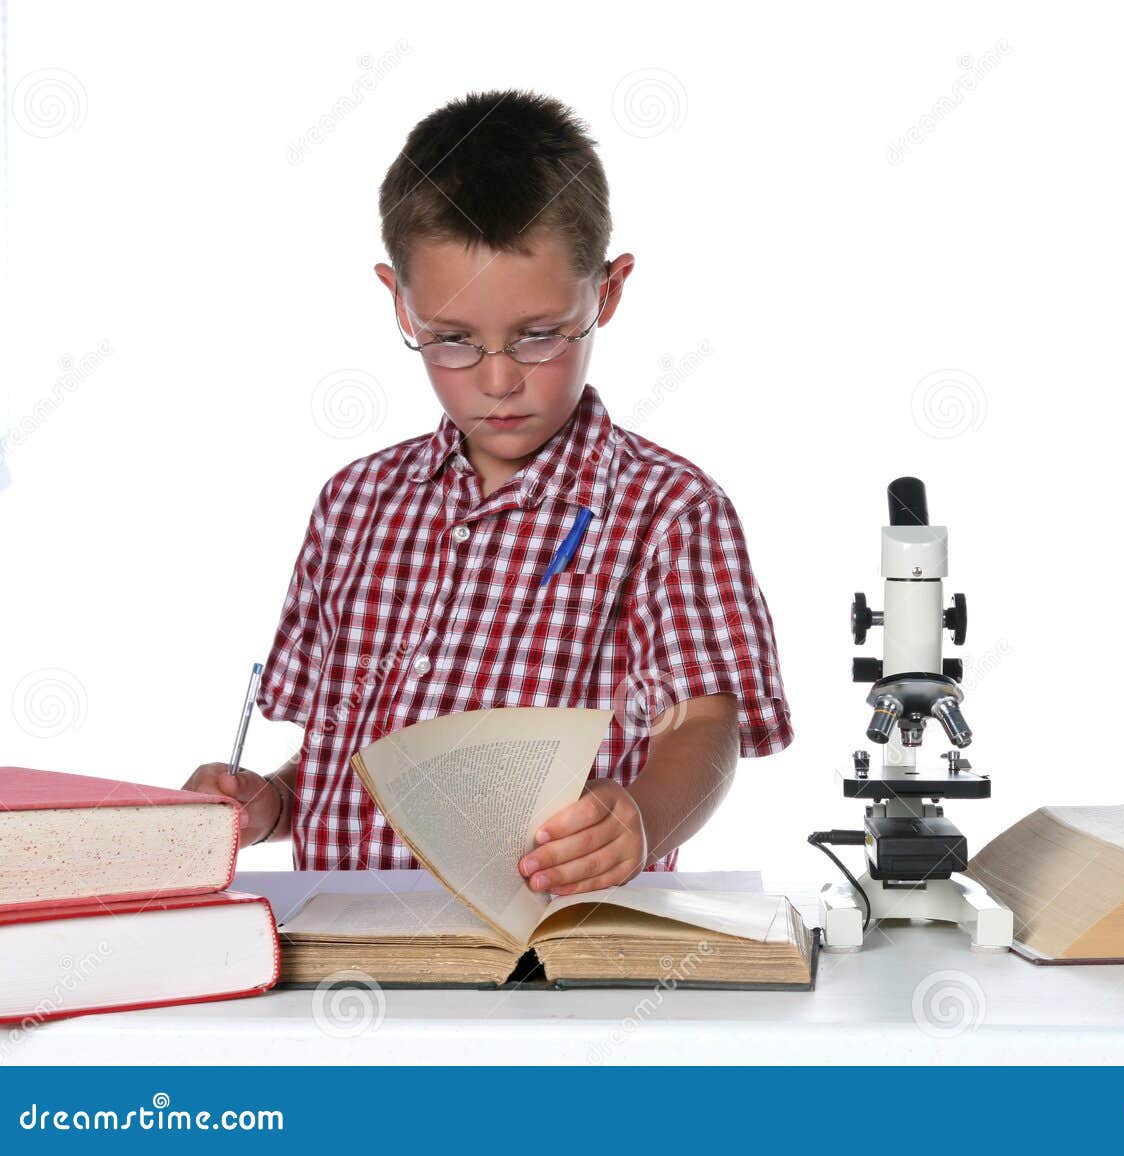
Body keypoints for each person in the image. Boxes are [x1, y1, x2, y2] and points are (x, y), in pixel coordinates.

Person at [182, 89, 793, 896]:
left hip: (540, 970)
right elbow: (344, 752)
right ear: (400, 302)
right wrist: (276, 800)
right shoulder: (353, 505)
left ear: (605, 294)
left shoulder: (668, 512)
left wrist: (639, 820)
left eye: (539, 335)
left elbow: (704, 726)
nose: (499, 381)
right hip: (342, 959)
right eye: (452, 340)